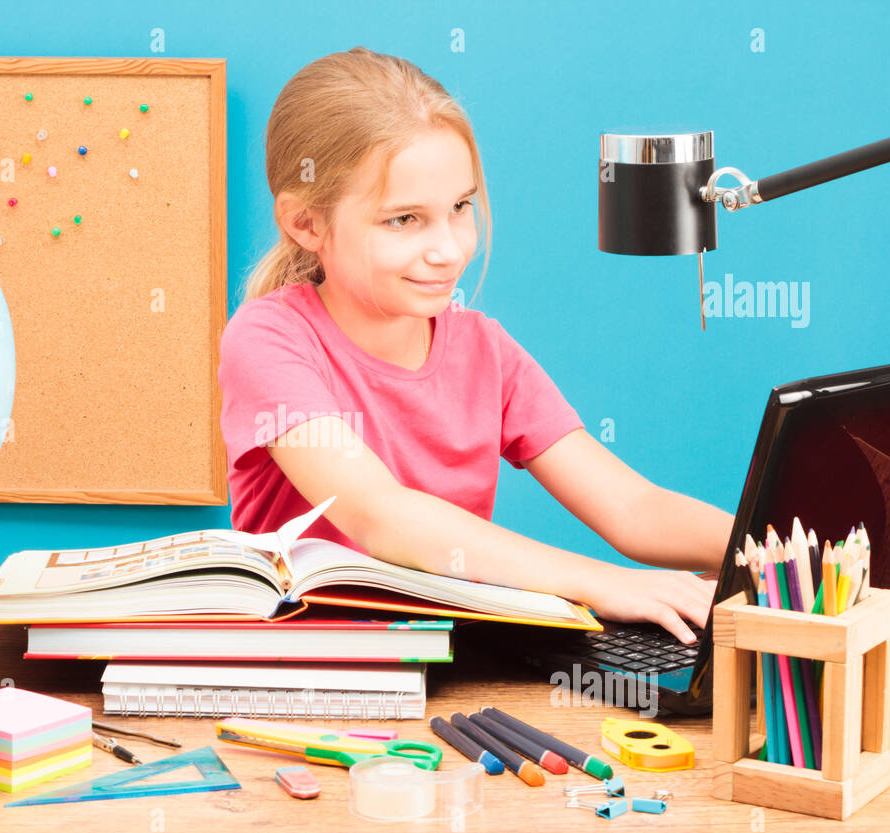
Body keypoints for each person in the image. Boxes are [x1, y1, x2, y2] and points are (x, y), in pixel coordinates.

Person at [217, 47, 732, 645]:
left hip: (455, 668)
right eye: (403, 220)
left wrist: (767, 546)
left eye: (460, 208)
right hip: (311, 672)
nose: (450, 249)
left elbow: (632, 509)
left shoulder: (483, 348)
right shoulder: (268, 339)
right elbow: (382, 515)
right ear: (306, 223)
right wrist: (602, 583)